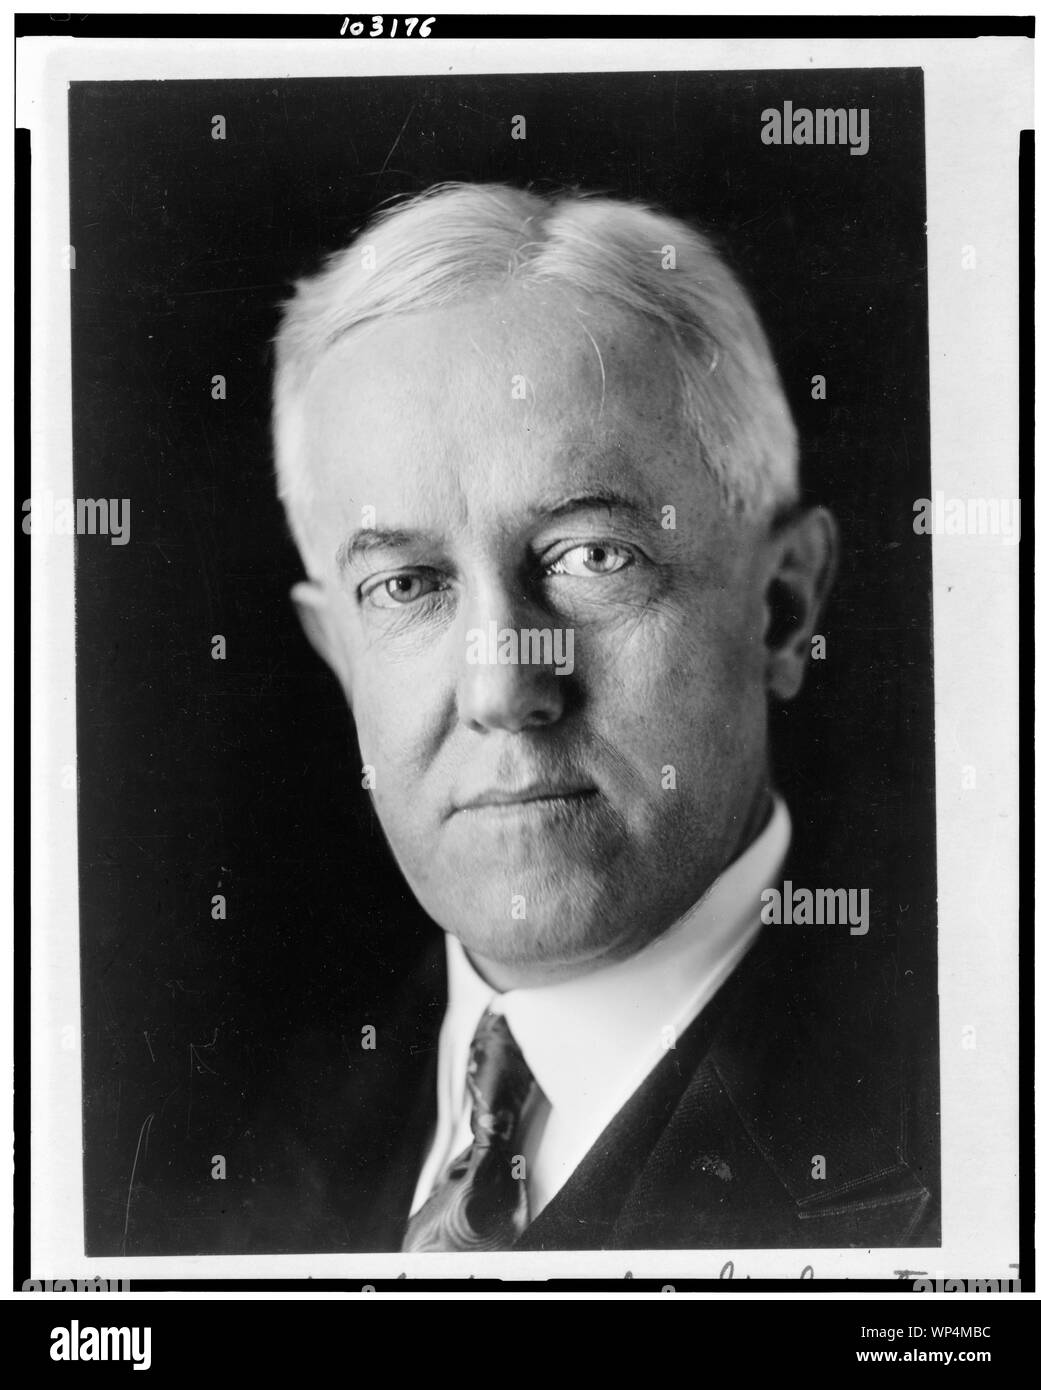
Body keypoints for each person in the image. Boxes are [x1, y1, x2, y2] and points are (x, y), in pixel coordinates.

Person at [249, 181, 932, 1253]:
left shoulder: (962, 1124)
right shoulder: (243, 1138)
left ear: (785, 606)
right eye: (408, 585)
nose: (501, 688)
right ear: (338, 654)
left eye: (593, 557)